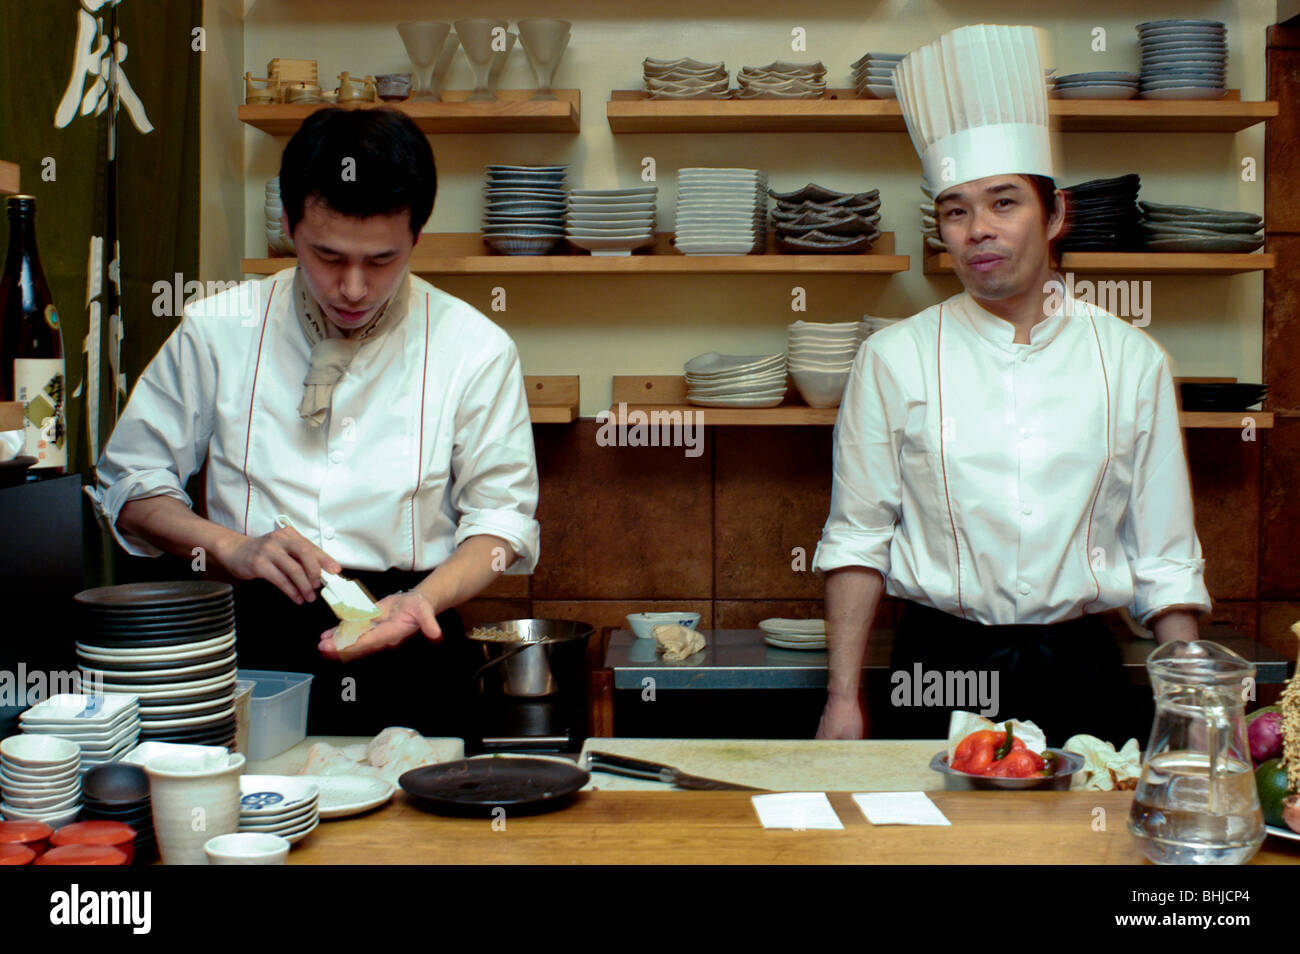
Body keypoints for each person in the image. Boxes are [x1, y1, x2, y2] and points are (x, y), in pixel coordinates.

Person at [812, 25, 1211, 747]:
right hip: (939, 666)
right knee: (932, 853)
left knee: (1083, 855)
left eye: (1004, 203)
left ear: (1056, 215)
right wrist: (843, 699)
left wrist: (1187, 704)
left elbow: (1165, 556)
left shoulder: (1130, 360)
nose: (978, 231)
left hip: (1082, 668)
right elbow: (857, 538)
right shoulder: (892, 358)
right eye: (956, 210)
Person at [88, 108, 540, 736]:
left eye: (381, 261)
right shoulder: (218, 330)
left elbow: (503, 526)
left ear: (416, 236)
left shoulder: (475, 347)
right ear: (288, 226)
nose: (352, 288)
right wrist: (232, 547)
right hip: (248, 647)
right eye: (328, 256)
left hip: (409, 641)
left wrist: (422, 602)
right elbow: (129, 487)